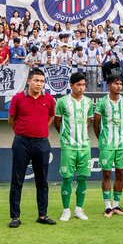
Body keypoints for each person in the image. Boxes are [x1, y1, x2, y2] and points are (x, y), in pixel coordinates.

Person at [7, 68, 57, 227]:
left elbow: (50, 117)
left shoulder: (49, 99)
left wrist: (40, 130)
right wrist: (21, 132)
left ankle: (42, 215)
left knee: (42, 181)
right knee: (17, 180)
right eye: (36, 80)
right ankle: (15, 217)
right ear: (29, 81)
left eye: (42, 81)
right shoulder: (17, 98)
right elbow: (11, 119)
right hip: (22, 142)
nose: (39, 84)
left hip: (42, 143)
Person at [53, 72, 93, 222]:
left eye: (83, 85)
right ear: (71, 86)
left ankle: (79, 209)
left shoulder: (88, 102)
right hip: (68, 146)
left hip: (84, 146)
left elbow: (88, 122)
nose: (81, 88)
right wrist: (65, 137)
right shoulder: (62, 102)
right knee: (67, 178)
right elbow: (57, 122)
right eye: (78, 85)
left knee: (82, 178)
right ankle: (66, 210)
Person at [92, 74, 123, 217]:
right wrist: (102, 139)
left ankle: (116, 205)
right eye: (116, 84)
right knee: (106, 174)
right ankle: (107, 206)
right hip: (106, 144)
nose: (119, 86)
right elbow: (96, 125)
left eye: (120, 84)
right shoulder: (102, 102)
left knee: (121, 173)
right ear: (108, 85)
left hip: (121, 144)